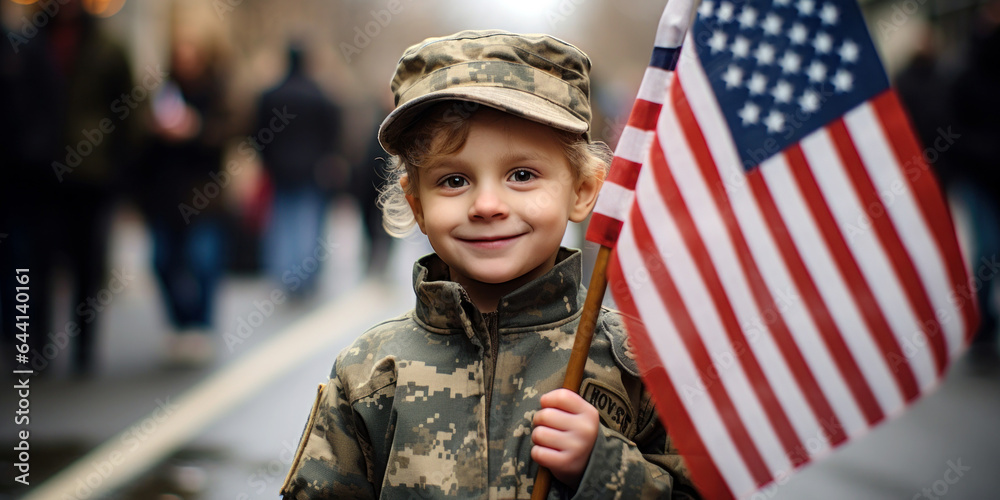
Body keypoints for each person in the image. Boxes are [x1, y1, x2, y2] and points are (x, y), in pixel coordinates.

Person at [281, 30, 700, 498]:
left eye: (522, 175)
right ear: (416, 204)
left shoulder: (633, 363)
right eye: (454, 180)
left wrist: (601, 467)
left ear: (583, 190)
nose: (486, 204)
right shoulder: (370, 374)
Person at [136, 25, 232, 366]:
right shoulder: (160, 94)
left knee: (203, 260)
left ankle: (200, 326)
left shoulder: (216, 94)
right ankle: (179, 324)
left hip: (203, 198)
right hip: (164, 197)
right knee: (162, 261)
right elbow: (140, 148)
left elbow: (227, 136)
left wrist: (195, 130)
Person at [256, 43, 343, 298]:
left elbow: (259, 134)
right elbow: (332, 134)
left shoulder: (271, 95)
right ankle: (304, 279)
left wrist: (267, 162)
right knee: (308, 224)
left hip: (279, 171)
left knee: (283, 224)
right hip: (312, 171)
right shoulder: (319, 96)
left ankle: (287, 277)